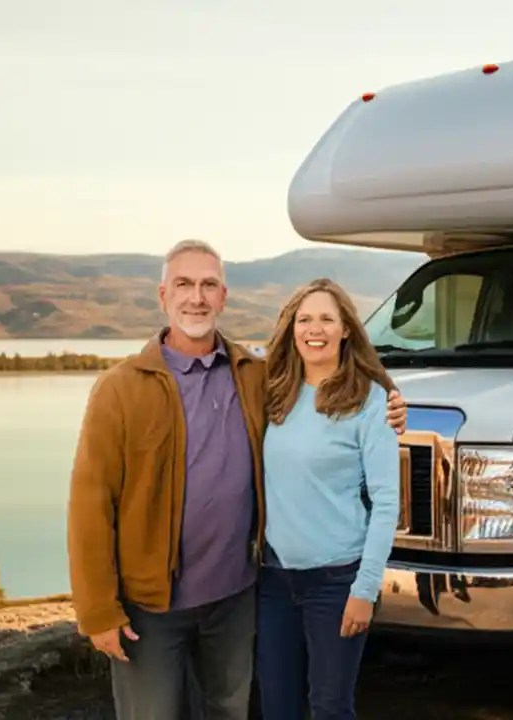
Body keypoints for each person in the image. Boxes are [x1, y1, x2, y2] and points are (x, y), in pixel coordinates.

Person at [66, 240, 407, 719]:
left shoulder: (254, 375)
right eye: (184, 285)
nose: (196, 298)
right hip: (153, 605)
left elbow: (336, 387)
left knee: (235, 710)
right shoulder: (122, 388)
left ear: (224, 296)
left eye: (208, 285)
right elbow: (89, 503)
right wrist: (97, 609)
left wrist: (389, 401)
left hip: (237, 597)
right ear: (163, 294)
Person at [255, 277, 401, 720]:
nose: (313, 329)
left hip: (337, 583)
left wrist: (365, 588)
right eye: (304, 319)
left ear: (345, 331)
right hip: (274, 581)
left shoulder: (371, 403)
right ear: (291, 329)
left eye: (325, 319)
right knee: (277, 708)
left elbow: (386, 503)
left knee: (330, 707)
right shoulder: (273, 392)